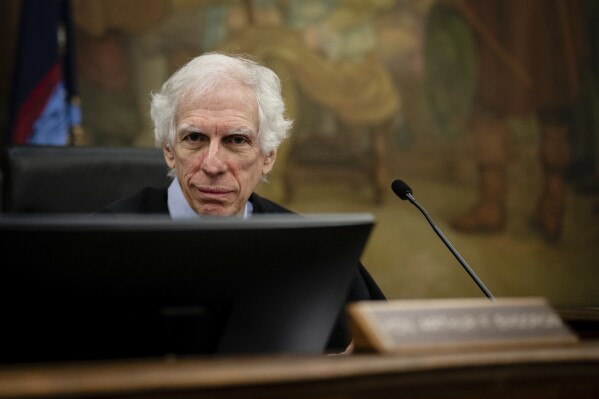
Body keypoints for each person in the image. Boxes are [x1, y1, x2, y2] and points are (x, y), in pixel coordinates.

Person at [96, 51, 385, 353]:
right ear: (169, 150)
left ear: (268, 157)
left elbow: (378, 355)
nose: (213, 164)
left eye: (236, 140)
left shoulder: (316, 251)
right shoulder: (101, 243)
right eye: (194, 138)